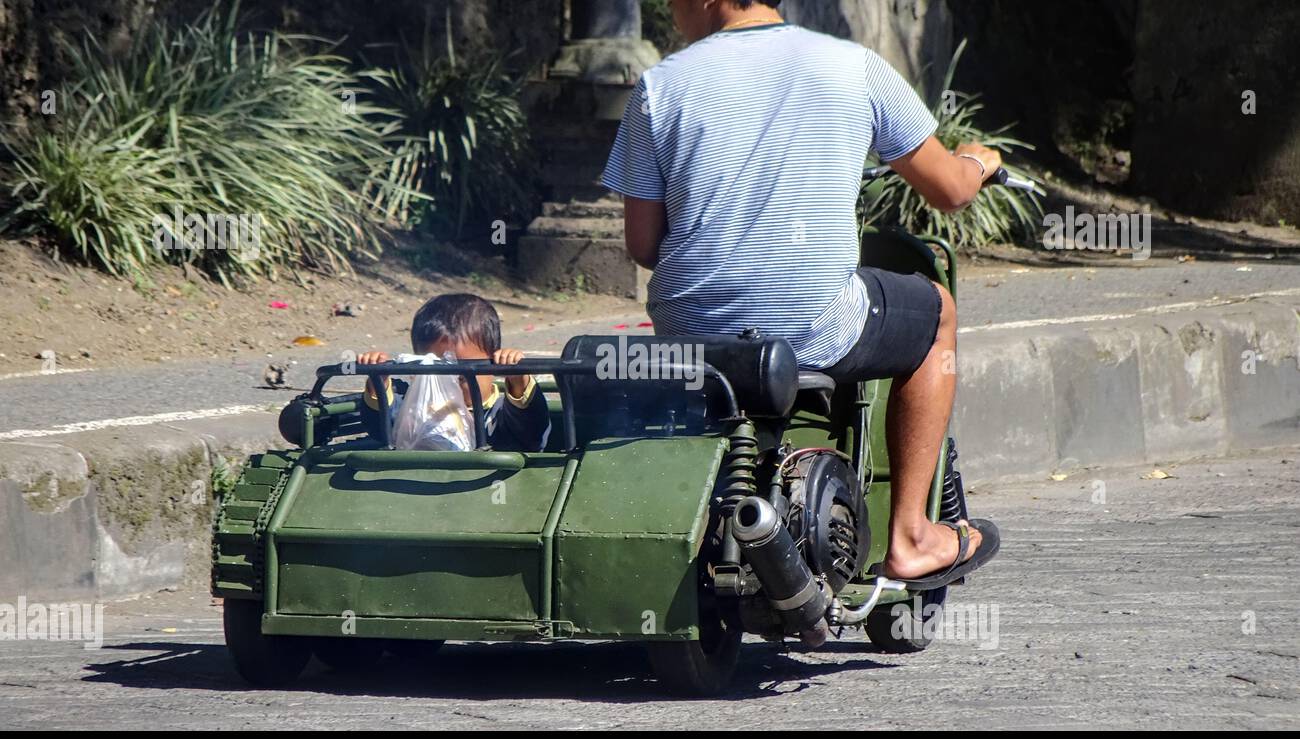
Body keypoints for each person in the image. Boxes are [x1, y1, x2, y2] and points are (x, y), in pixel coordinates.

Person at [601, 0, 998, 581]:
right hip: (814, 325)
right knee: (936, 314)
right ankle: (912, 537)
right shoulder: (854, 66)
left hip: (690, 334)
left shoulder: (660, 85)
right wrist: (978, 161)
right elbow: (950, 190)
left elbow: (642, 244)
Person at [357, 294, 550, 451]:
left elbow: (530, 428)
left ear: (493, 365)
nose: (450, 388)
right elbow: (380, 428)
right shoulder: (413, 409)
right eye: (435, 376)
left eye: (460, 378)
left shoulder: (498, 415)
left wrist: (517, 378)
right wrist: (377, 381)